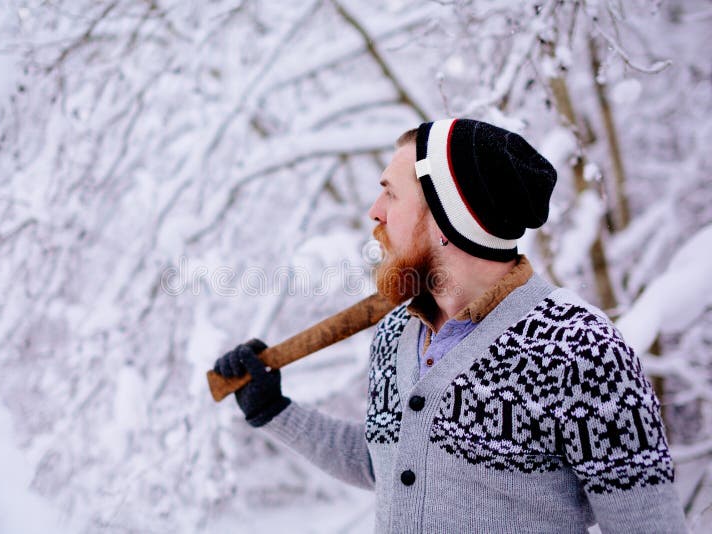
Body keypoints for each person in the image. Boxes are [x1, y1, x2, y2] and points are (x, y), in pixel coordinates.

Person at [214, 118, 687, 533]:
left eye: (391, 193)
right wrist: (274, 410)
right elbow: (387, 462)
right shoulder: (398, 333)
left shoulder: (579, 350)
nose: (374, 211)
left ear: (447, 218)